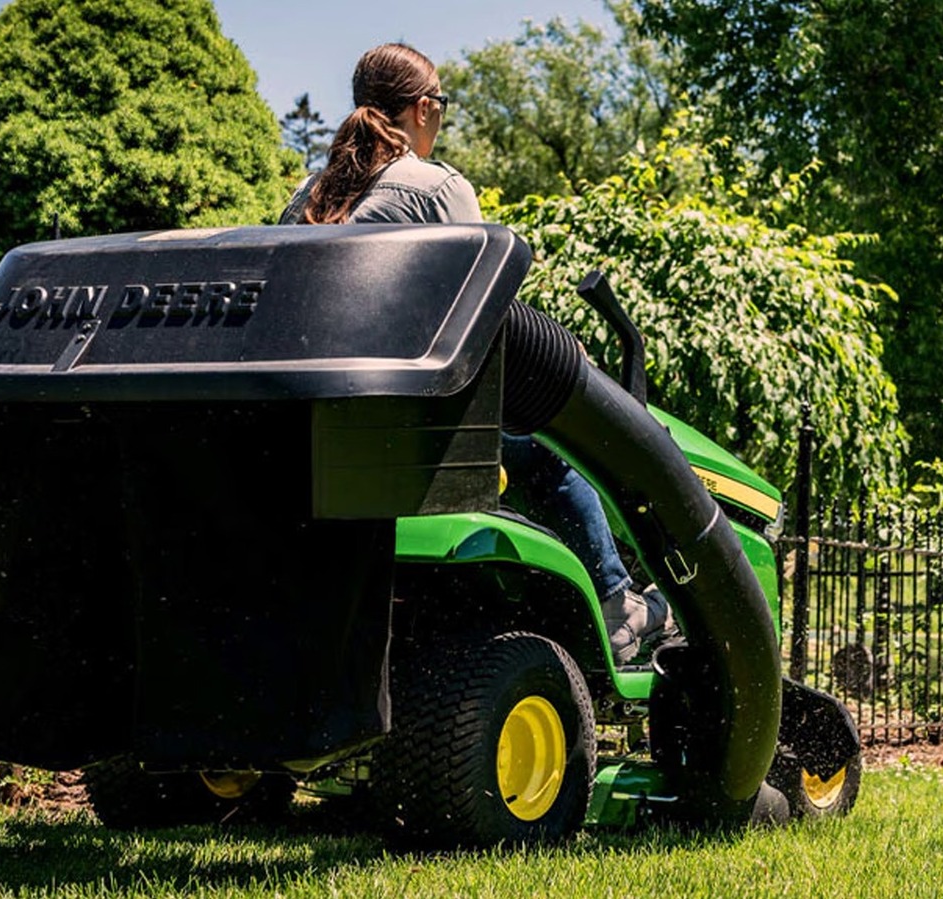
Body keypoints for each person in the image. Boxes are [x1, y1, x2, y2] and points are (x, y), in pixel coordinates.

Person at [281, 43, 673, 663]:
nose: (441, 115)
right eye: (441, 103)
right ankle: (615, 599)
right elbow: (489, 317)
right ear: (420, 109)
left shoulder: (306, 196)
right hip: (411, 428)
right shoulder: (435, 187)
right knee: (551, 455)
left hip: (315, 431)